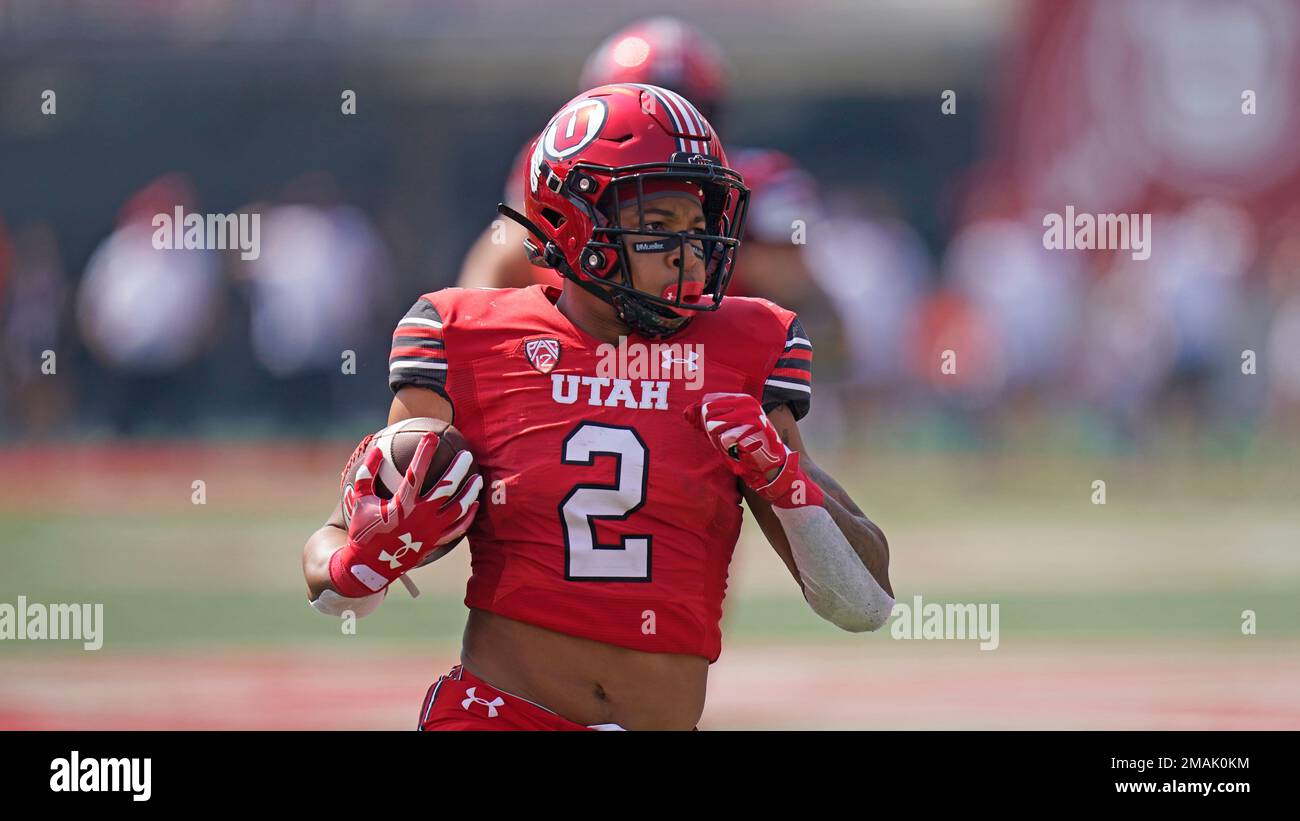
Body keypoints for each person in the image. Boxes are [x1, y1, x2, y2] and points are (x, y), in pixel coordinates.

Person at [301, 84, 894, 731]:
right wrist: (357, 562)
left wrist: (785, 481)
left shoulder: (746, 346)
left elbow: (863, 603)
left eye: (699, 226)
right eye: (658, 225)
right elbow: (337, 576)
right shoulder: (468, 336)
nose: (689, 251)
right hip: (500, 715)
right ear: (574, 222)